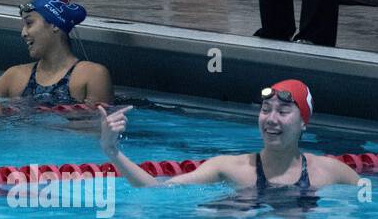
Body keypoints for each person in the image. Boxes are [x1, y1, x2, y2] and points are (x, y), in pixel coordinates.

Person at [99, 79, 359, 189]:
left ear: (304, 123)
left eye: (283, 111)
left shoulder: (331, 172)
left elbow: (372, 201)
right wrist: (113, 151)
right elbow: (157, 193)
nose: (271, 119)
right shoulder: (227, 168)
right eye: (266, 109)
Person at [0, 0, 113, 113]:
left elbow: (96, 129)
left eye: (29, 23)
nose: (23, 33)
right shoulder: (13, 76)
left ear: (55, 24)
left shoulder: (91, 75)